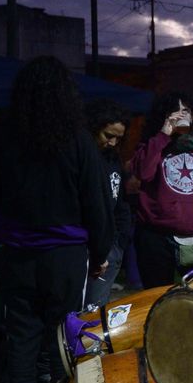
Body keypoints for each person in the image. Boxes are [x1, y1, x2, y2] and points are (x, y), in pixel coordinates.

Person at [0, 57, 112, 383]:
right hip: (65, 255)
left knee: (22, 338)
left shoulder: (3, 137)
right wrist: (100, 252)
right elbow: (97, 203)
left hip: (16, 253)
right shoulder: (79, 140)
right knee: (64, 339)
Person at [128, 92, 193, 288]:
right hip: (156, 236)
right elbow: (143, 173)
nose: (180, 114)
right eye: (174, 110)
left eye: (186, 110)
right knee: (157, 296)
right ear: (164, 116)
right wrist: (163, 136)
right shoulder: (152, 145)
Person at [83, 100, 132, 308]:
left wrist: (120, 241)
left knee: (96, 311)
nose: (112, 142)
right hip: (86, 245)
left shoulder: (113, 159)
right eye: (108, 135)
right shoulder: (84, 158)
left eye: (118, 138)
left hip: (111, 245)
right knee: (81, 309)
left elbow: (120, 200)